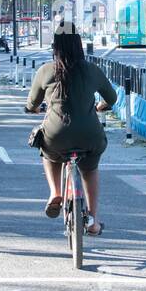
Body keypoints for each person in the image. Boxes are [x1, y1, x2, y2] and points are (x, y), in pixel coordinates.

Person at [26, 24, 117, 236]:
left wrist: (34, 109)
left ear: (55, 46)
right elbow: (112, 98)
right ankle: (93, 221)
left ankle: (55, 192)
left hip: (56, 134)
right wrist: (101, 106)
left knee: (47, 151)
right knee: (90, 168)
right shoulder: (92, 70)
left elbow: (31, 104)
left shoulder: (46, 71)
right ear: (79, 45)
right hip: (90, 135)